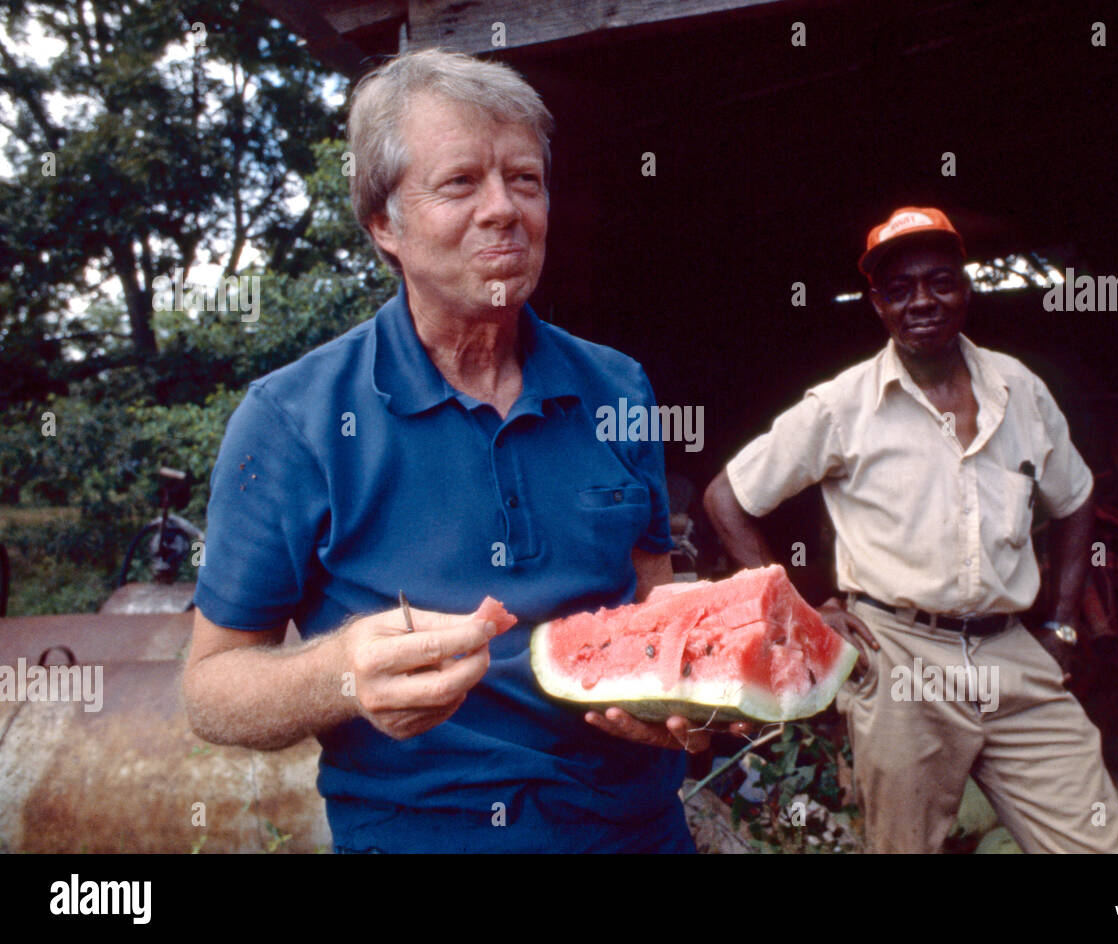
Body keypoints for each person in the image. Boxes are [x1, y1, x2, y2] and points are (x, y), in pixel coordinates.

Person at [182, 47, 743, 854]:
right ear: (384, 225)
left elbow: (653, 601)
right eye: (460, 183)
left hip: (636, 832)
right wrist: (340, 673)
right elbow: (212, 689)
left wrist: (696, 695)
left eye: (524, 179)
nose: (504, 209)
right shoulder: (292, 419)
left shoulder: (620, 389)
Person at [703, 207, 1118, 853]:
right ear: (876, 303)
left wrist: (1065, 624)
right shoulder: (842, 404)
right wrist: (794, 612)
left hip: (1014, 652)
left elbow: (1076, 500)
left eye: (940, 281)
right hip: (901, 658)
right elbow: (728, 499)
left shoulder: (1020, 389)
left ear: (966, 288)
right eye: (899, 289)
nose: (922, 301)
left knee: (1102, 845)